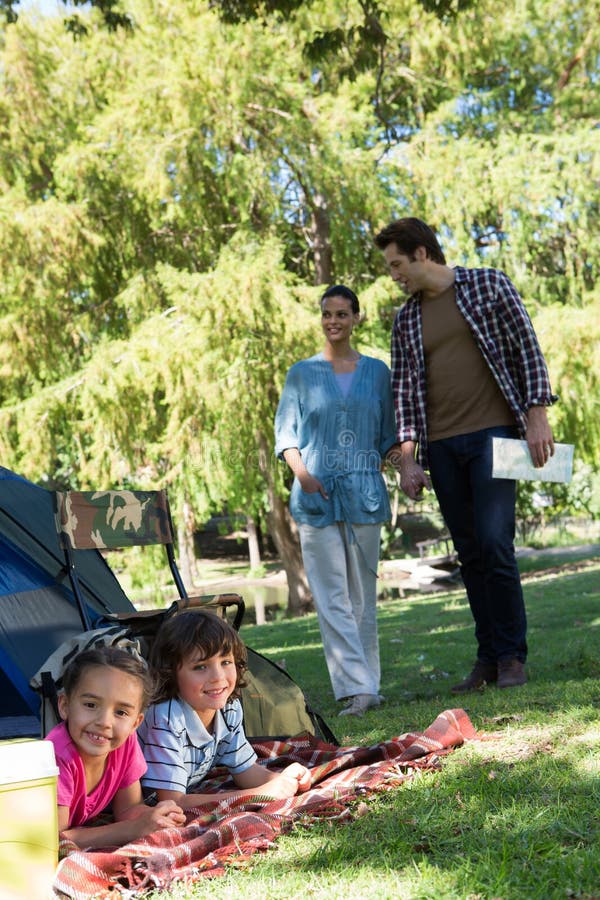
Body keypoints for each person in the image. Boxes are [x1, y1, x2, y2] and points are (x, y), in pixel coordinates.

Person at [374, 217, 557, 692]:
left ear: (420, 254)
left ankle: (513, 656)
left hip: (496, 436)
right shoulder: (406, 318)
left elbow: (527, 351)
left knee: (496, 545)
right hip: (443, 448)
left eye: (397, 264)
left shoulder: (488, 284)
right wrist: (409, 459)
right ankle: (489, 659)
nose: (394, 274)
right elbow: (406, 393)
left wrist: (537, 416)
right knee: (471, 554)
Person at [274, 284, 400, 717]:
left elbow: (389, 438)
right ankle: (356, 688)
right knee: (331, 596)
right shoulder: (301, 374)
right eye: (327, 314)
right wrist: (304, 476)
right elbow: (286, 436)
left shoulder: (378, 372)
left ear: (357, 318)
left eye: (342, 314)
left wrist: (410, 467)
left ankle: (369, 683)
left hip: (364, 496)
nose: (334, 321)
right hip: (316, 497)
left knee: (362, 595)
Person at [137, 610, 311, 808]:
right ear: (170, 673)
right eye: (200, 667)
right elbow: (172, 802)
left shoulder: (229, 708)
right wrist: (257, 795)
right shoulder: (166, 718)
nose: (218, 677)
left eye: (226, 662)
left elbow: (244, 771)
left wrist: (280, 780)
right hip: (138, 801)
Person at [45, 646, 185, 849]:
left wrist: (158, 817)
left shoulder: (124, 743)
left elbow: (128, 808)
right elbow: (54, 839)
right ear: (65, 706)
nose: (104, 722)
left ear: (135, 723)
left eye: (120, 712)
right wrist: (134, 829)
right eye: (91, 705)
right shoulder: (57, 756)